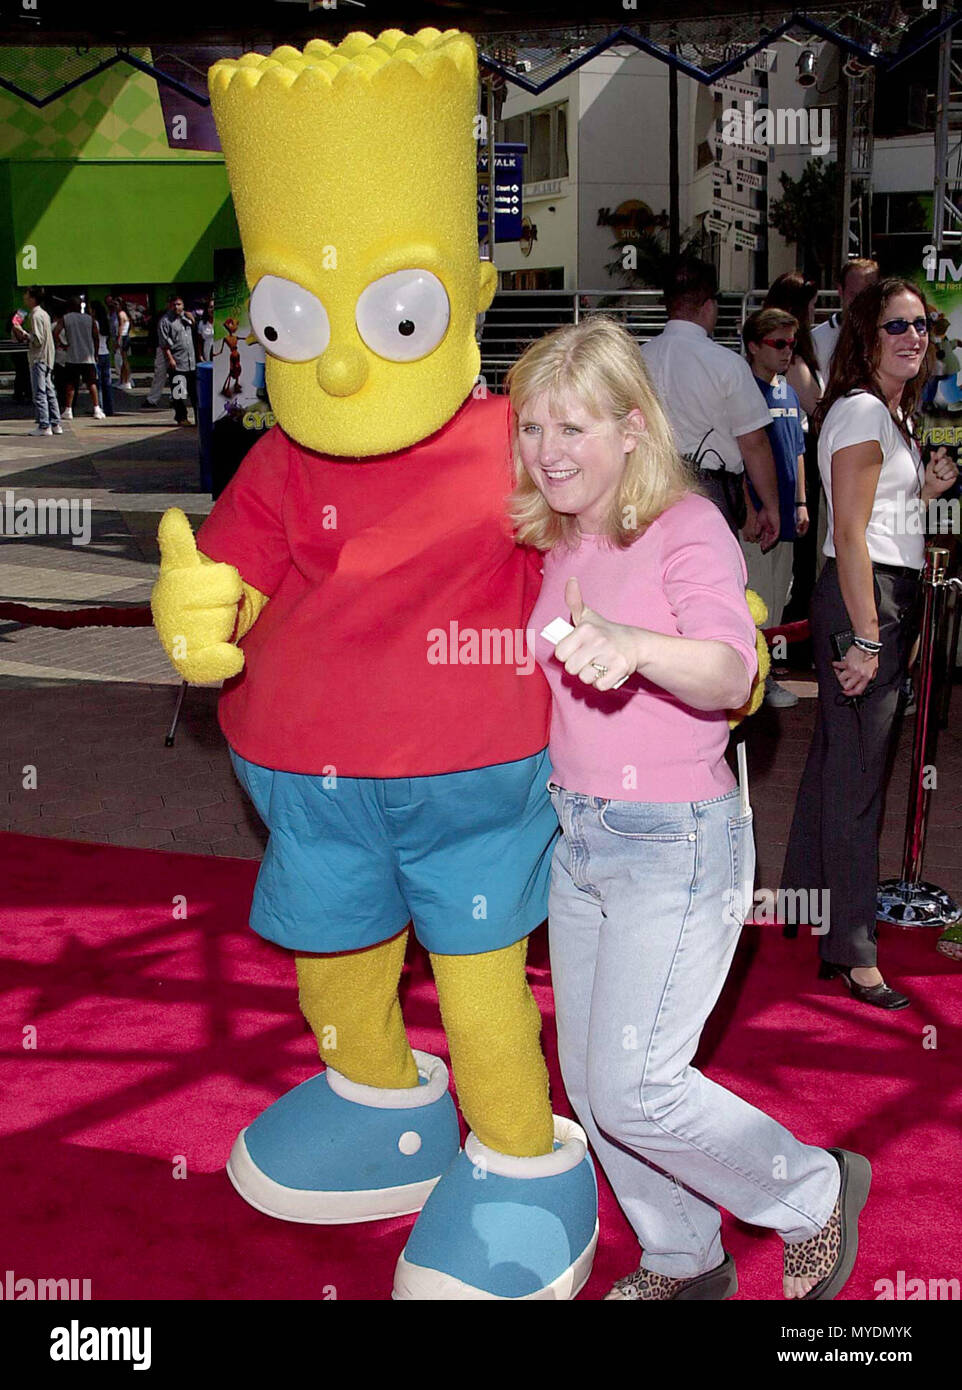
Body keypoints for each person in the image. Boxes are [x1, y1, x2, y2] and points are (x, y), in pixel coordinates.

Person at [510, 315, 870, 1302]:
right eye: (531, 430)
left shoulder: (684, 525)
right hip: (577, 837)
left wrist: (633, 646)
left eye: (570, 429)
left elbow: (726, 668)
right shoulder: (564, 530)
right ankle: (681, 1255)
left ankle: (809, 1187)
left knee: (638, 1085)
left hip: (672, 846)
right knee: (589, 1081)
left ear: (632, 426)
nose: (546, 453)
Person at [781, 278, 958, 1010]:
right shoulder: (860, 409)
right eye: (897, 326)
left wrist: (924, 494)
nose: (913, 337)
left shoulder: (888, 413)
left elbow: (875, 520)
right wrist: (867, 637)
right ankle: (854, 950)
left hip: (879, 593)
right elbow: (848, 535)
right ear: (865, 333)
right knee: (859, 783)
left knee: (837, 765)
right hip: (867, 599)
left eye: (922, 325)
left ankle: (810, 910)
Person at [641, 256, 780, 547]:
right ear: (708, 306)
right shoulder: (727, 365)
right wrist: (770, 506)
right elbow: (753, 444)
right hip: (710, 491)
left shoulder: (636, 359)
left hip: (647, 487)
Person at [741, 308, 808, 708]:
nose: (787, 352)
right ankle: (754, 680)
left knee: (780, 600)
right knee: (756, 600)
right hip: (758, 521)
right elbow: (737, 458)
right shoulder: (742, 390)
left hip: (786, 517)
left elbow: (798, 451)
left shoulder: (788, 390)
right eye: (778, 343)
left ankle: (770, 675)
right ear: (753, 346)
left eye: (792, 344)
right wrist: (749, 510)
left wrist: (800, 501)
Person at [811, 258, 880, 388]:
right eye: (854, 295)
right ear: (840, 291)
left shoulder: (891, 337)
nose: (861, 302)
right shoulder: (815, 340)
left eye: (868, 294)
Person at [12, 286, 62, 435]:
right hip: (47, 357)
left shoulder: (35, 316)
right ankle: (55, 423)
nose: (24, 298)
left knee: (39, 392)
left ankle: (44, 424)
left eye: (26, 295)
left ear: (32, 298)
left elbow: (37, 340)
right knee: (49, 390)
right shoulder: (44, 314)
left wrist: (22, 332)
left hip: (38, 357)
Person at [59, 296, 104, 421]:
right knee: (91, 383)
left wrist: (63, 344)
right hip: (87, 356)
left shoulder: (66, 318)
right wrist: (95, 352)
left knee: (71, 384)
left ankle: (68, 410)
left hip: (72, 356)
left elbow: (56, 332)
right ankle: (97, 408)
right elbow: (96, 337)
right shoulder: (90, 319)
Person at [159, 294, 197, 426]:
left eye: (179, 304)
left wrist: (193, 321)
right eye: (174, 304)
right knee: (179, 393)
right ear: (170, 305)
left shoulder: (187, 318)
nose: (177, 307)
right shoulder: (165, 321)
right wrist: (171, 359)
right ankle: (181, 417)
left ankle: (199, 418)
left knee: (194, 392)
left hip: (191, 362)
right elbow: (164, 344)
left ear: (183, 305)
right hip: (177, 362)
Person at [89, 301, 114, 417]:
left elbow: (95, 340)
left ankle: (100, 407)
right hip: (106, 353)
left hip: (97, 354)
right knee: (107, 383)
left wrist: (95, 354)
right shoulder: (106, 322)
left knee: (97, 382)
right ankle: (109, 408)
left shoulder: (94, 323)